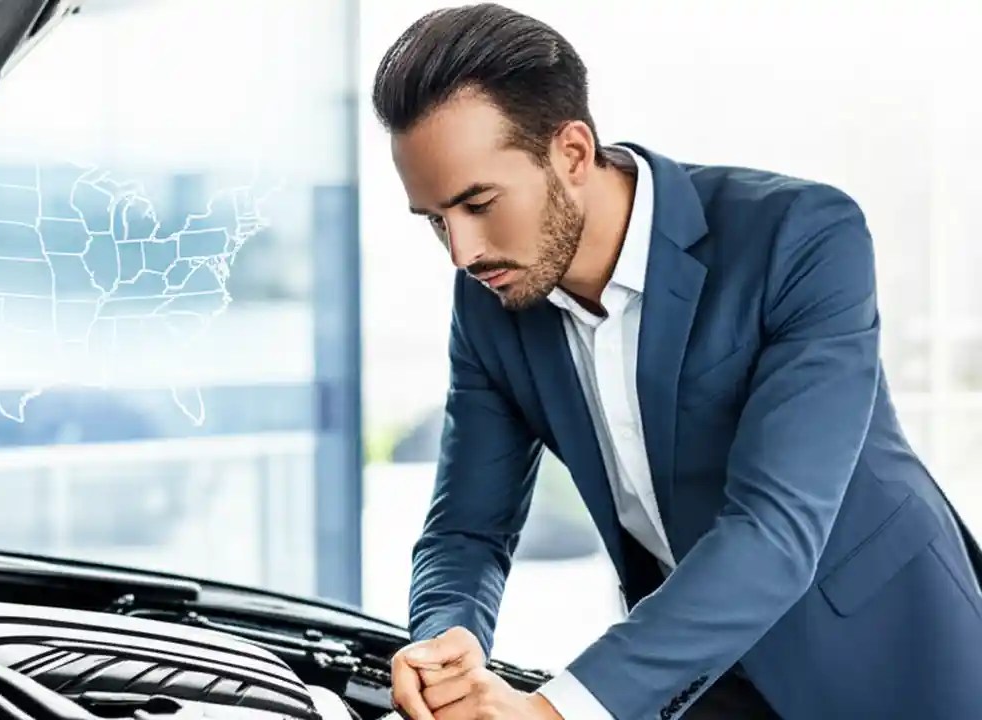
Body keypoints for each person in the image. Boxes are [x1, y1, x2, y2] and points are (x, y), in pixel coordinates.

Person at [369, 4, 982, 720]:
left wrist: (552, 712)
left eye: (478, 203)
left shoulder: (801, 238)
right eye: (436, 220)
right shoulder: (488, 302)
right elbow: (467, 528)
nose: (462, 252)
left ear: (570, 152)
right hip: (693, 677)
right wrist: (446, 645)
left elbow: (774, 531)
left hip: (894, 660)